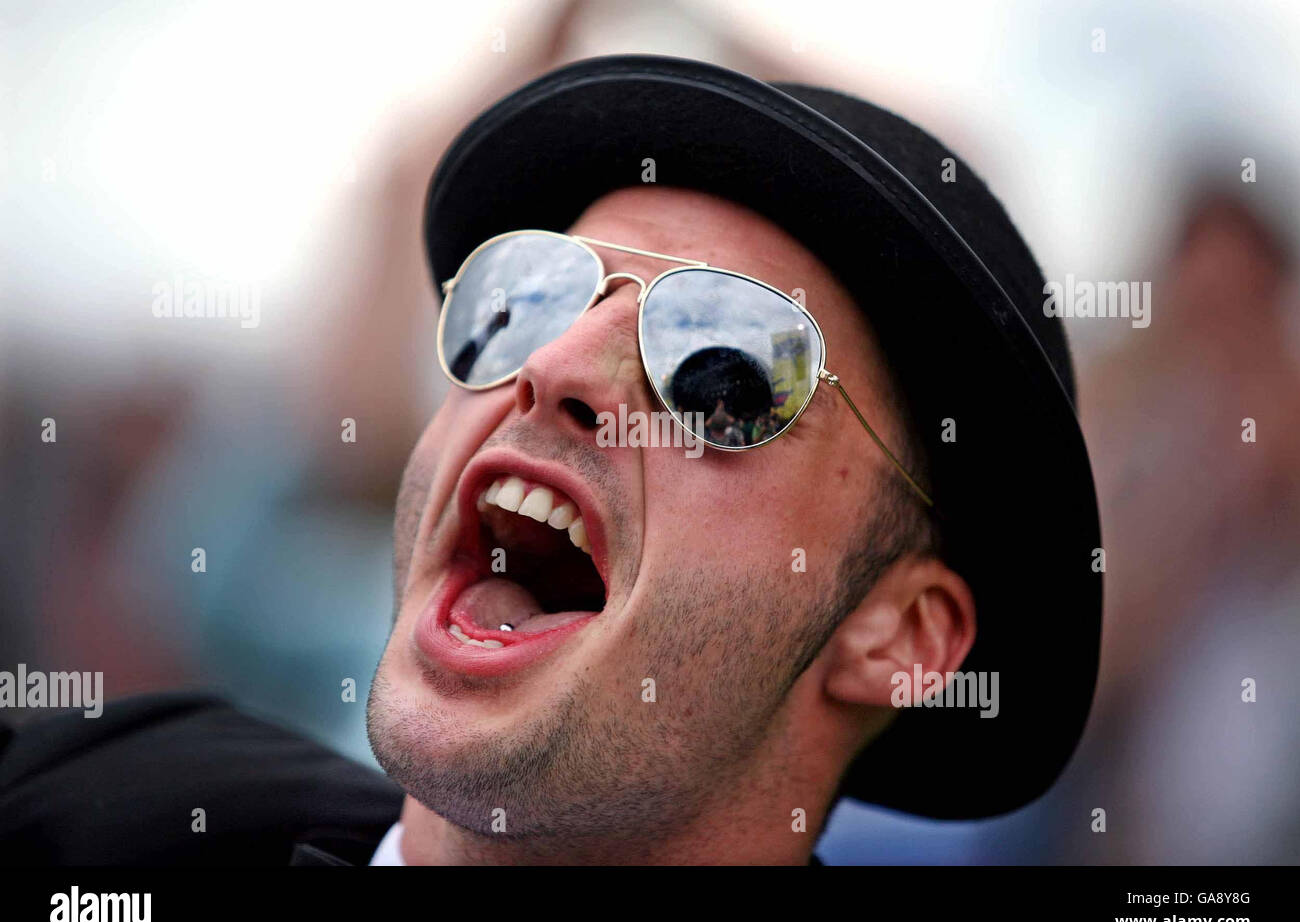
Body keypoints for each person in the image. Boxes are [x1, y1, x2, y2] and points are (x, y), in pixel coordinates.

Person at [0, 55, 1101, 865]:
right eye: (521, 302)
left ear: (895, 634)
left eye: (722, 361)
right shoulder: (78, 817)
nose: (555, 364)